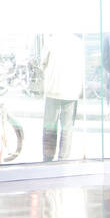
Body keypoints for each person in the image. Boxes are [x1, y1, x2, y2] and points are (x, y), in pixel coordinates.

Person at [41, 32, 84, 161]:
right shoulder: (78, 42)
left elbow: (43, 63)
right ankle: (63, 159)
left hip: (53, 89)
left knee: (50, 126)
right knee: (67, 128)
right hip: (71, 90)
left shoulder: (51, 40)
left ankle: (48, 158)